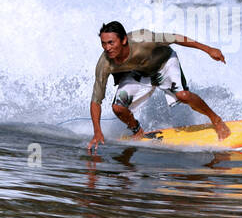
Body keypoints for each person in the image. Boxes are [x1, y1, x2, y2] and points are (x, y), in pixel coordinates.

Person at [87, 21, 230, 151]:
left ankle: (216, 120)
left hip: (164, 64)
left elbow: (175, 38)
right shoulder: (104, 63)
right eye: (104, 44)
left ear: (124, 40)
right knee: (118, 107)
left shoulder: (143, 40)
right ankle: (137, 131)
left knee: (183, 95)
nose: (107, 48)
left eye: (111, 43)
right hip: (140, 73)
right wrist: (97, 131)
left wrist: (208, 49)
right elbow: (96, 100)